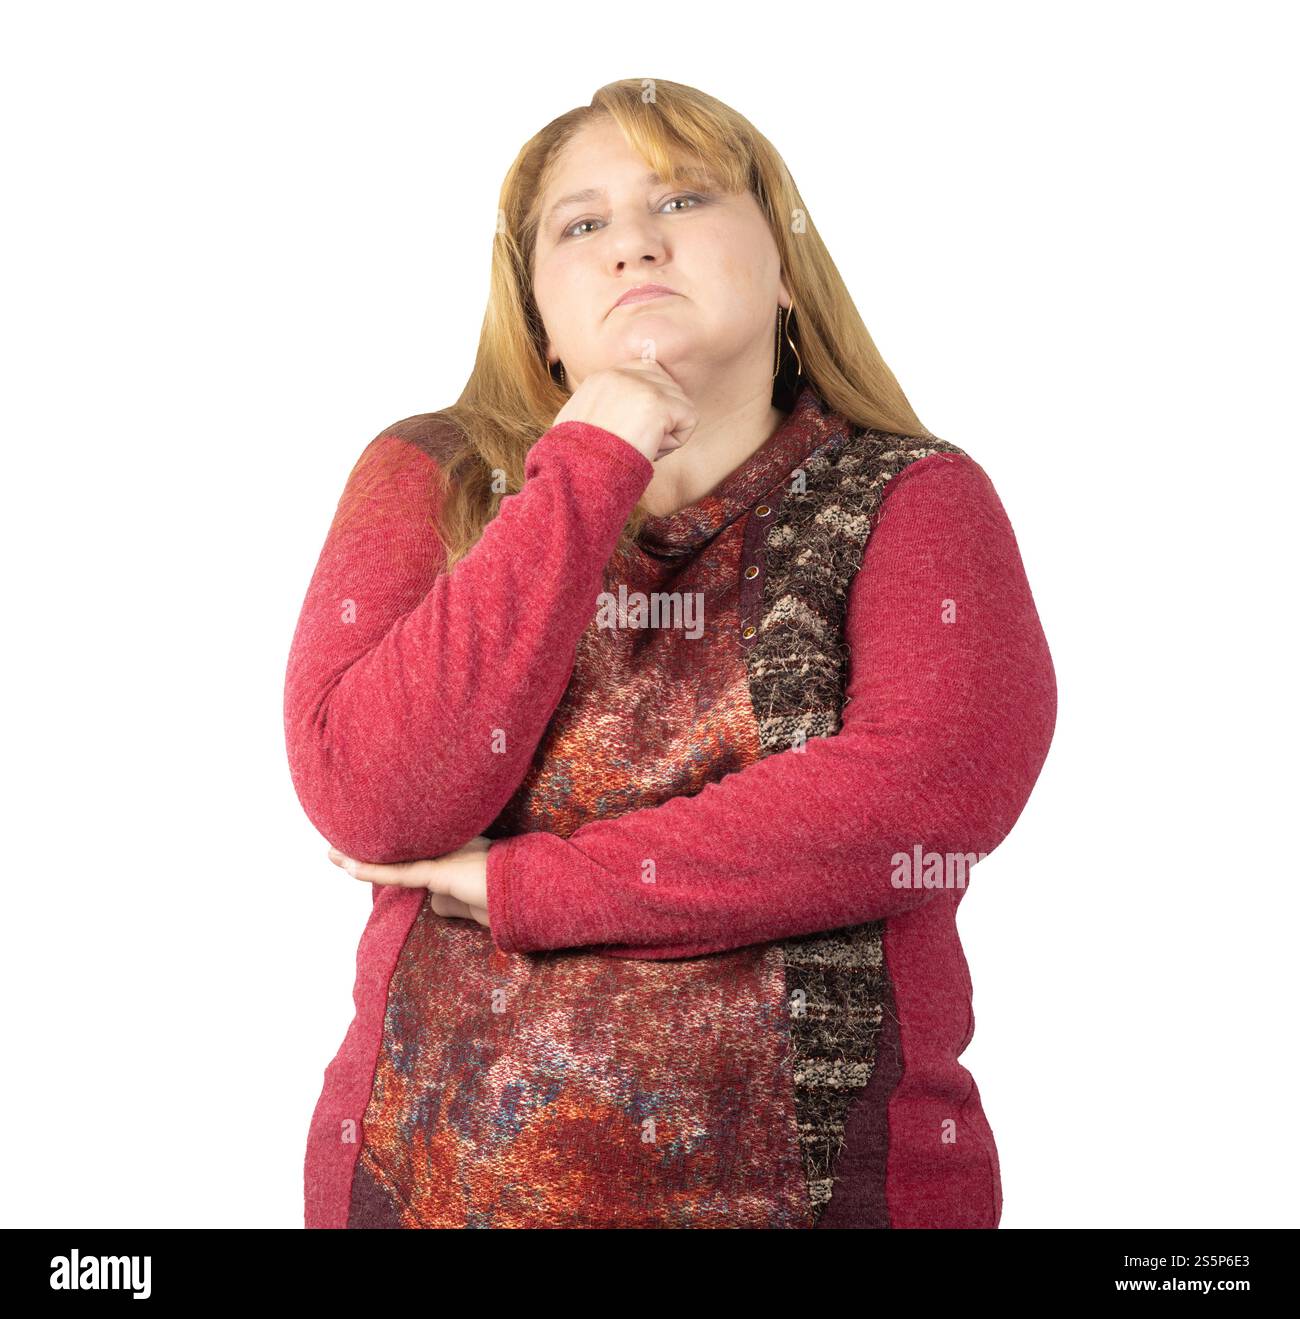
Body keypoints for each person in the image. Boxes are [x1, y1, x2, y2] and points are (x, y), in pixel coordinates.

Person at [283, 77, 1057, 1229]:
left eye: (683, 198)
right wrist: (590, 460)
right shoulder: (430, 477)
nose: (633, 243)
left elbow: (922, 801)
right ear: (537, 311)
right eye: (580, 223)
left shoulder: (915, 497)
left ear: (787, 266)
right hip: (425, 1190)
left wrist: (521, 884)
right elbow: (374, 798)